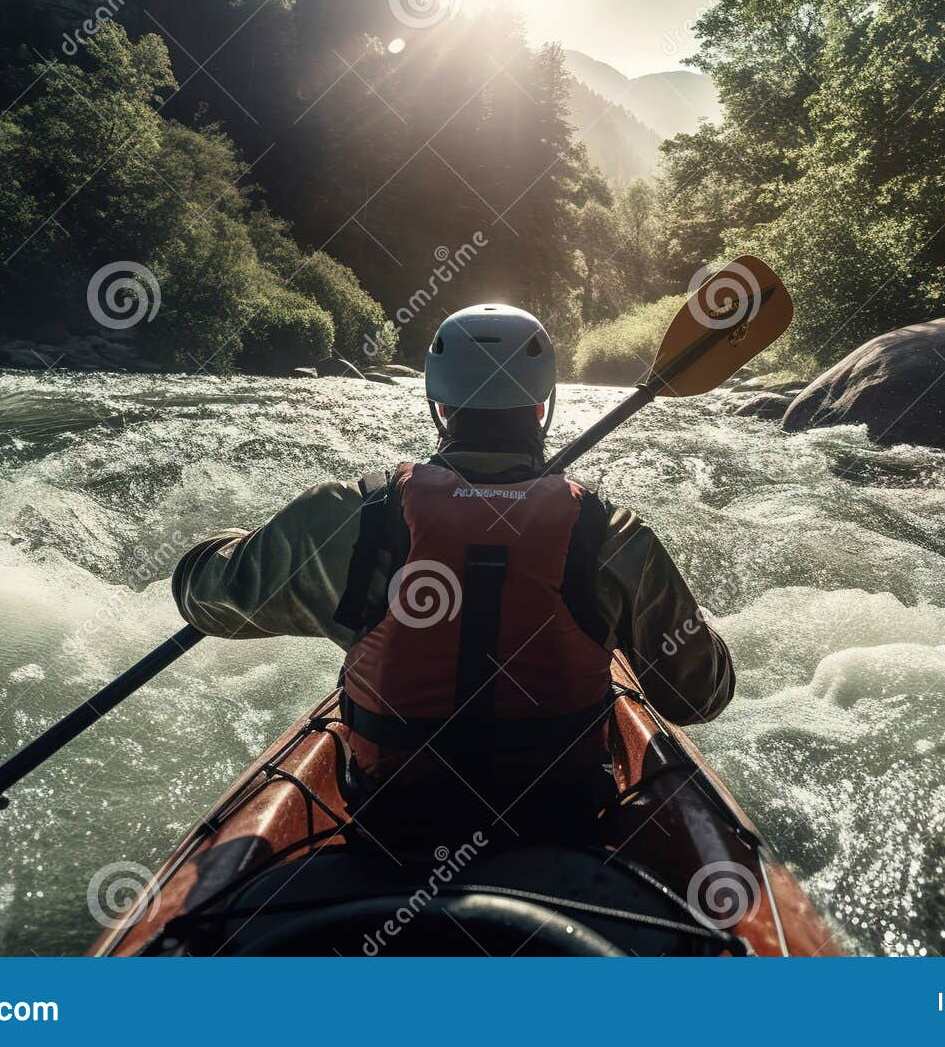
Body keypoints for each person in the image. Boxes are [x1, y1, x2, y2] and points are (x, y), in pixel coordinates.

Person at [171, 304, 732, 845]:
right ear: (543, 408)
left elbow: (204, 597)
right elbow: (698, 699)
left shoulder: (350, 514)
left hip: (391, 821)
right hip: (561, 820)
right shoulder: (613, 532)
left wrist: (227, 544)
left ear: (438, 404)